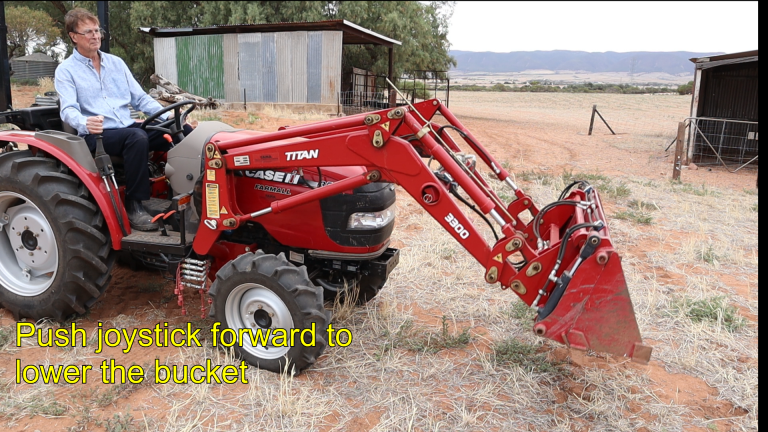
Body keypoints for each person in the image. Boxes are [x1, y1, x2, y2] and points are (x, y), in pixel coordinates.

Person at [55, 8, 191, 231]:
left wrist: (172, 118)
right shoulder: (66, 71)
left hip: (126, 127)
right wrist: (84, 122)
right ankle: (135, 205)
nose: (95, 36)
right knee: (136, 138)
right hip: (96, 134)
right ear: (73, 36)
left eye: (97, 30)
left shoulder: (116, 63)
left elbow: (140, 99)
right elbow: (68, 109)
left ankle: (192, 192)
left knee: (181, 132)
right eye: (87, 32)